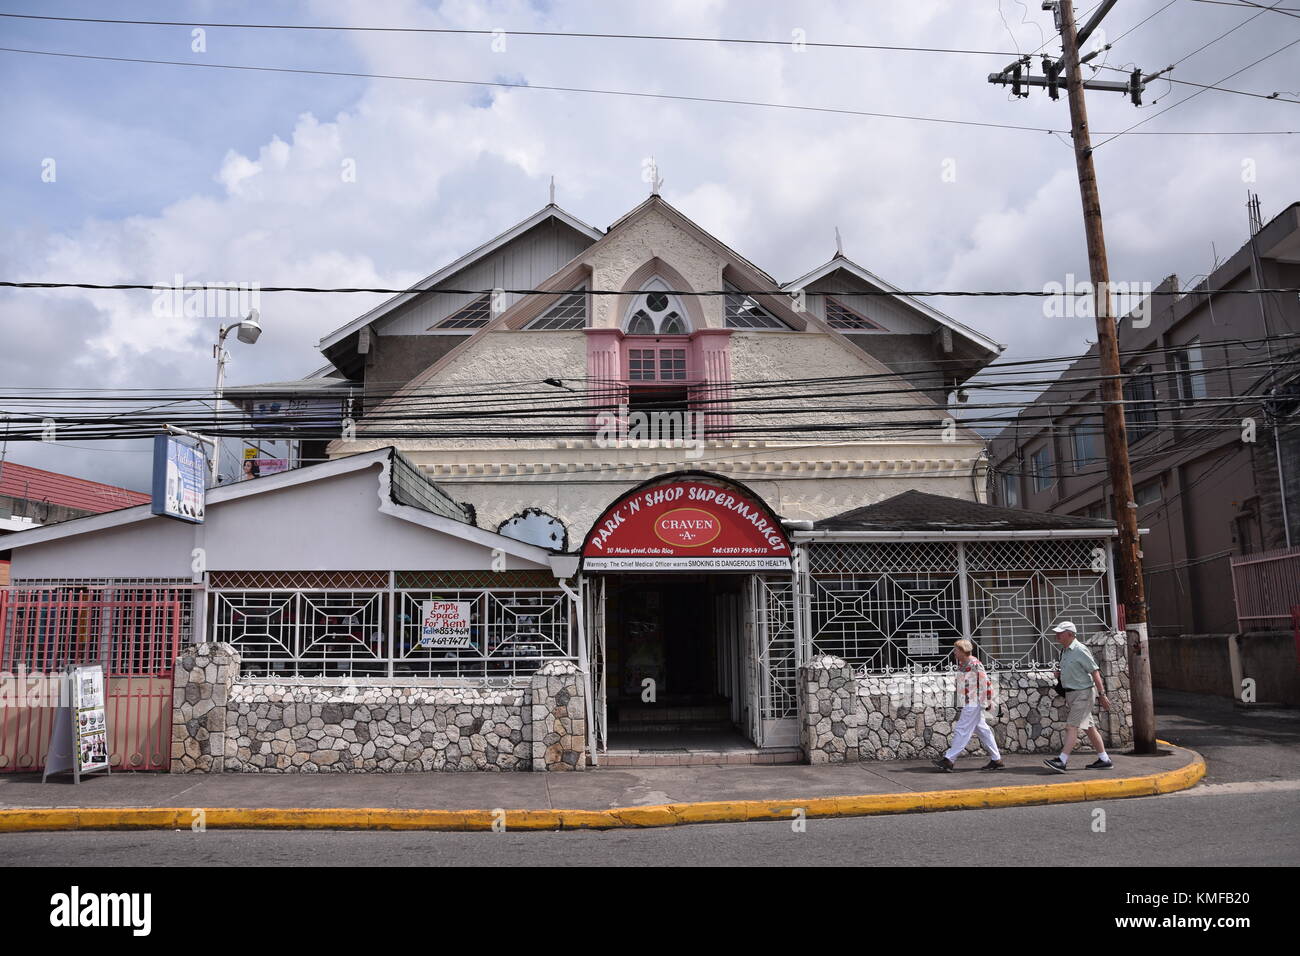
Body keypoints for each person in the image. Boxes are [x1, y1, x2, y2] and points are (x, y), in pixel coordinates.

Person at [1043, 621, 1113, 773]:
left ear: (1070, 634)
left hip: (1083, 694)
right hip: (1072, 694)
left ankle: (1062, 760)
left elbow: (1095, 671)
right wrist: (1060, 674)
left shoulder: (1081, 650)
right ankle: (1104, 759)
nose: (1057, 635)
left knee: (1071, 726)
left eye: (1060, 633)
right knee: (1089, 728)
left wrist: (1102, 695)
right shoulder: (1065, 651)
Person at [934, 639, 1004, 772]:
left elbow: (985, 682)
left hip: (975, 701)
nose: (954, 653)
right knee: (983, 731)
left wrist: (989, 700)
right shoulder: (963, 664)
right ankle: (997, 759)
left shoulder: (974, 664)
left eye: (956, 650)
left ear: (962, 651)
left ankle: (949, 760)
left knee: (962, 729)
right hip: (970, 701)